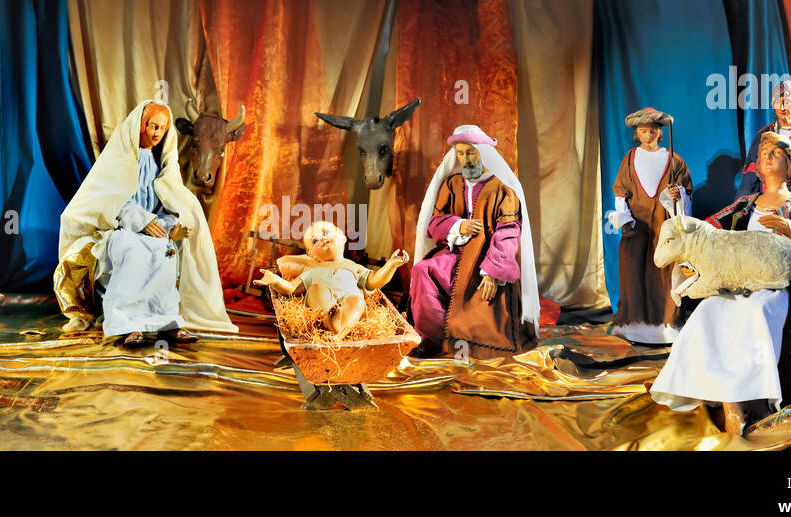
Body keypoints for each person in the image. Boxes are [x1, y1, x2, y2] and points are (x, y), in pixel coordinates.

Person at [650, 131, 791, 435]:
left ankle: (750, 395)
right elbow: (703, 233)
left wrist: (790, 229)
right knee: (710, 311)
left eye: (776, 153)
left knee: (755, 313)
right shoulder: (746, 204)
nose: (767, 157)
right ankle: (723, 396)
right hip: (736, 281)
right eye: (763, 154)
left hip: (774, 285)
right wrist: (679, 206)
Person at [54, 100, 237, 345]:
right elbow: (108, 200)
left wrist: (172, 227)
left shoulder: (158, 164)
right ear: (140, 124)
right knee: (131, 249)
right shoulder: (118, 159)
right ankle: (128, 325)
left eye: (162, 128)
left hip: (150, 233)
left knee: (165, 251)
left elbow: (165, 202)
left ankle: (166, 323)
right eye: (152, 126)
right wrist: (139, 220)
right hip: (116, 231)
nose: (156, 133)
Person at [409, 125, 539, 359]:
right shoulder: (451, 185)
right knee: (422, 270)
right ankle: (430, 339)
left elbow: (508, 233)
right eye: (460, 153)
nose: (466, 160)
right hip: (453, 256)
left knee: (482, 289)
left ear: (483, 153)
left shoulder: (503, 190)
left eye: (471, 152)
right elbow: (434, 223)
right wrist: (458, 226)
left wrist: (493, 272)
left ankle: (472, 344)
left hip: (487, 259)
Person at [608, 107, 692, 344]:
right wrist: (624, 218)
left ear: (660, 132)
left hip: (663, 225)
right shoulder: (631, 158)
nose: (648, 135)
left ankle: (665, 322)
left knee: (664, 273)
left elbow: (685, 195)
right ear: (637, 132)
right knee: (634, 272)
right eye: (643, 131)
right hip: (638, 225)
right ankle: (635, 324)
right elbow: (621, 192)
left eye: (653, 131)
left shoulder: (673, 160)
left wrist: (679, 194)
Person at [253, 221, 409, 338]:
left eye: (325, 233)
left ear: (341, 236)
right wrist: (275, 281)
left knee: (357, 301)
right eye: (314, 241)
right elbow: (291, 289)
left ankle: (338, 332)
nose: (321, 239)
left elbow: (374, 280)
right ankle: (331, 320)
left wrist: (391, 265)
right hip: (323, 305)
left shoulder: (354, 266)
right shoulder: (312, 271)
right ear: (312, 255)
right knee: (317, 289)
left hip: (348, 305)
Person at [737, 80, 791, 205]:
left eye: (787, 102)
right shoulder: (762, 135)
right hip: (762, 200)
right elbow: (751, 176)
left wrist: (783, 201)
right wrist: (743, 205)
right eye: (777, 102)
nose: (782, 108)